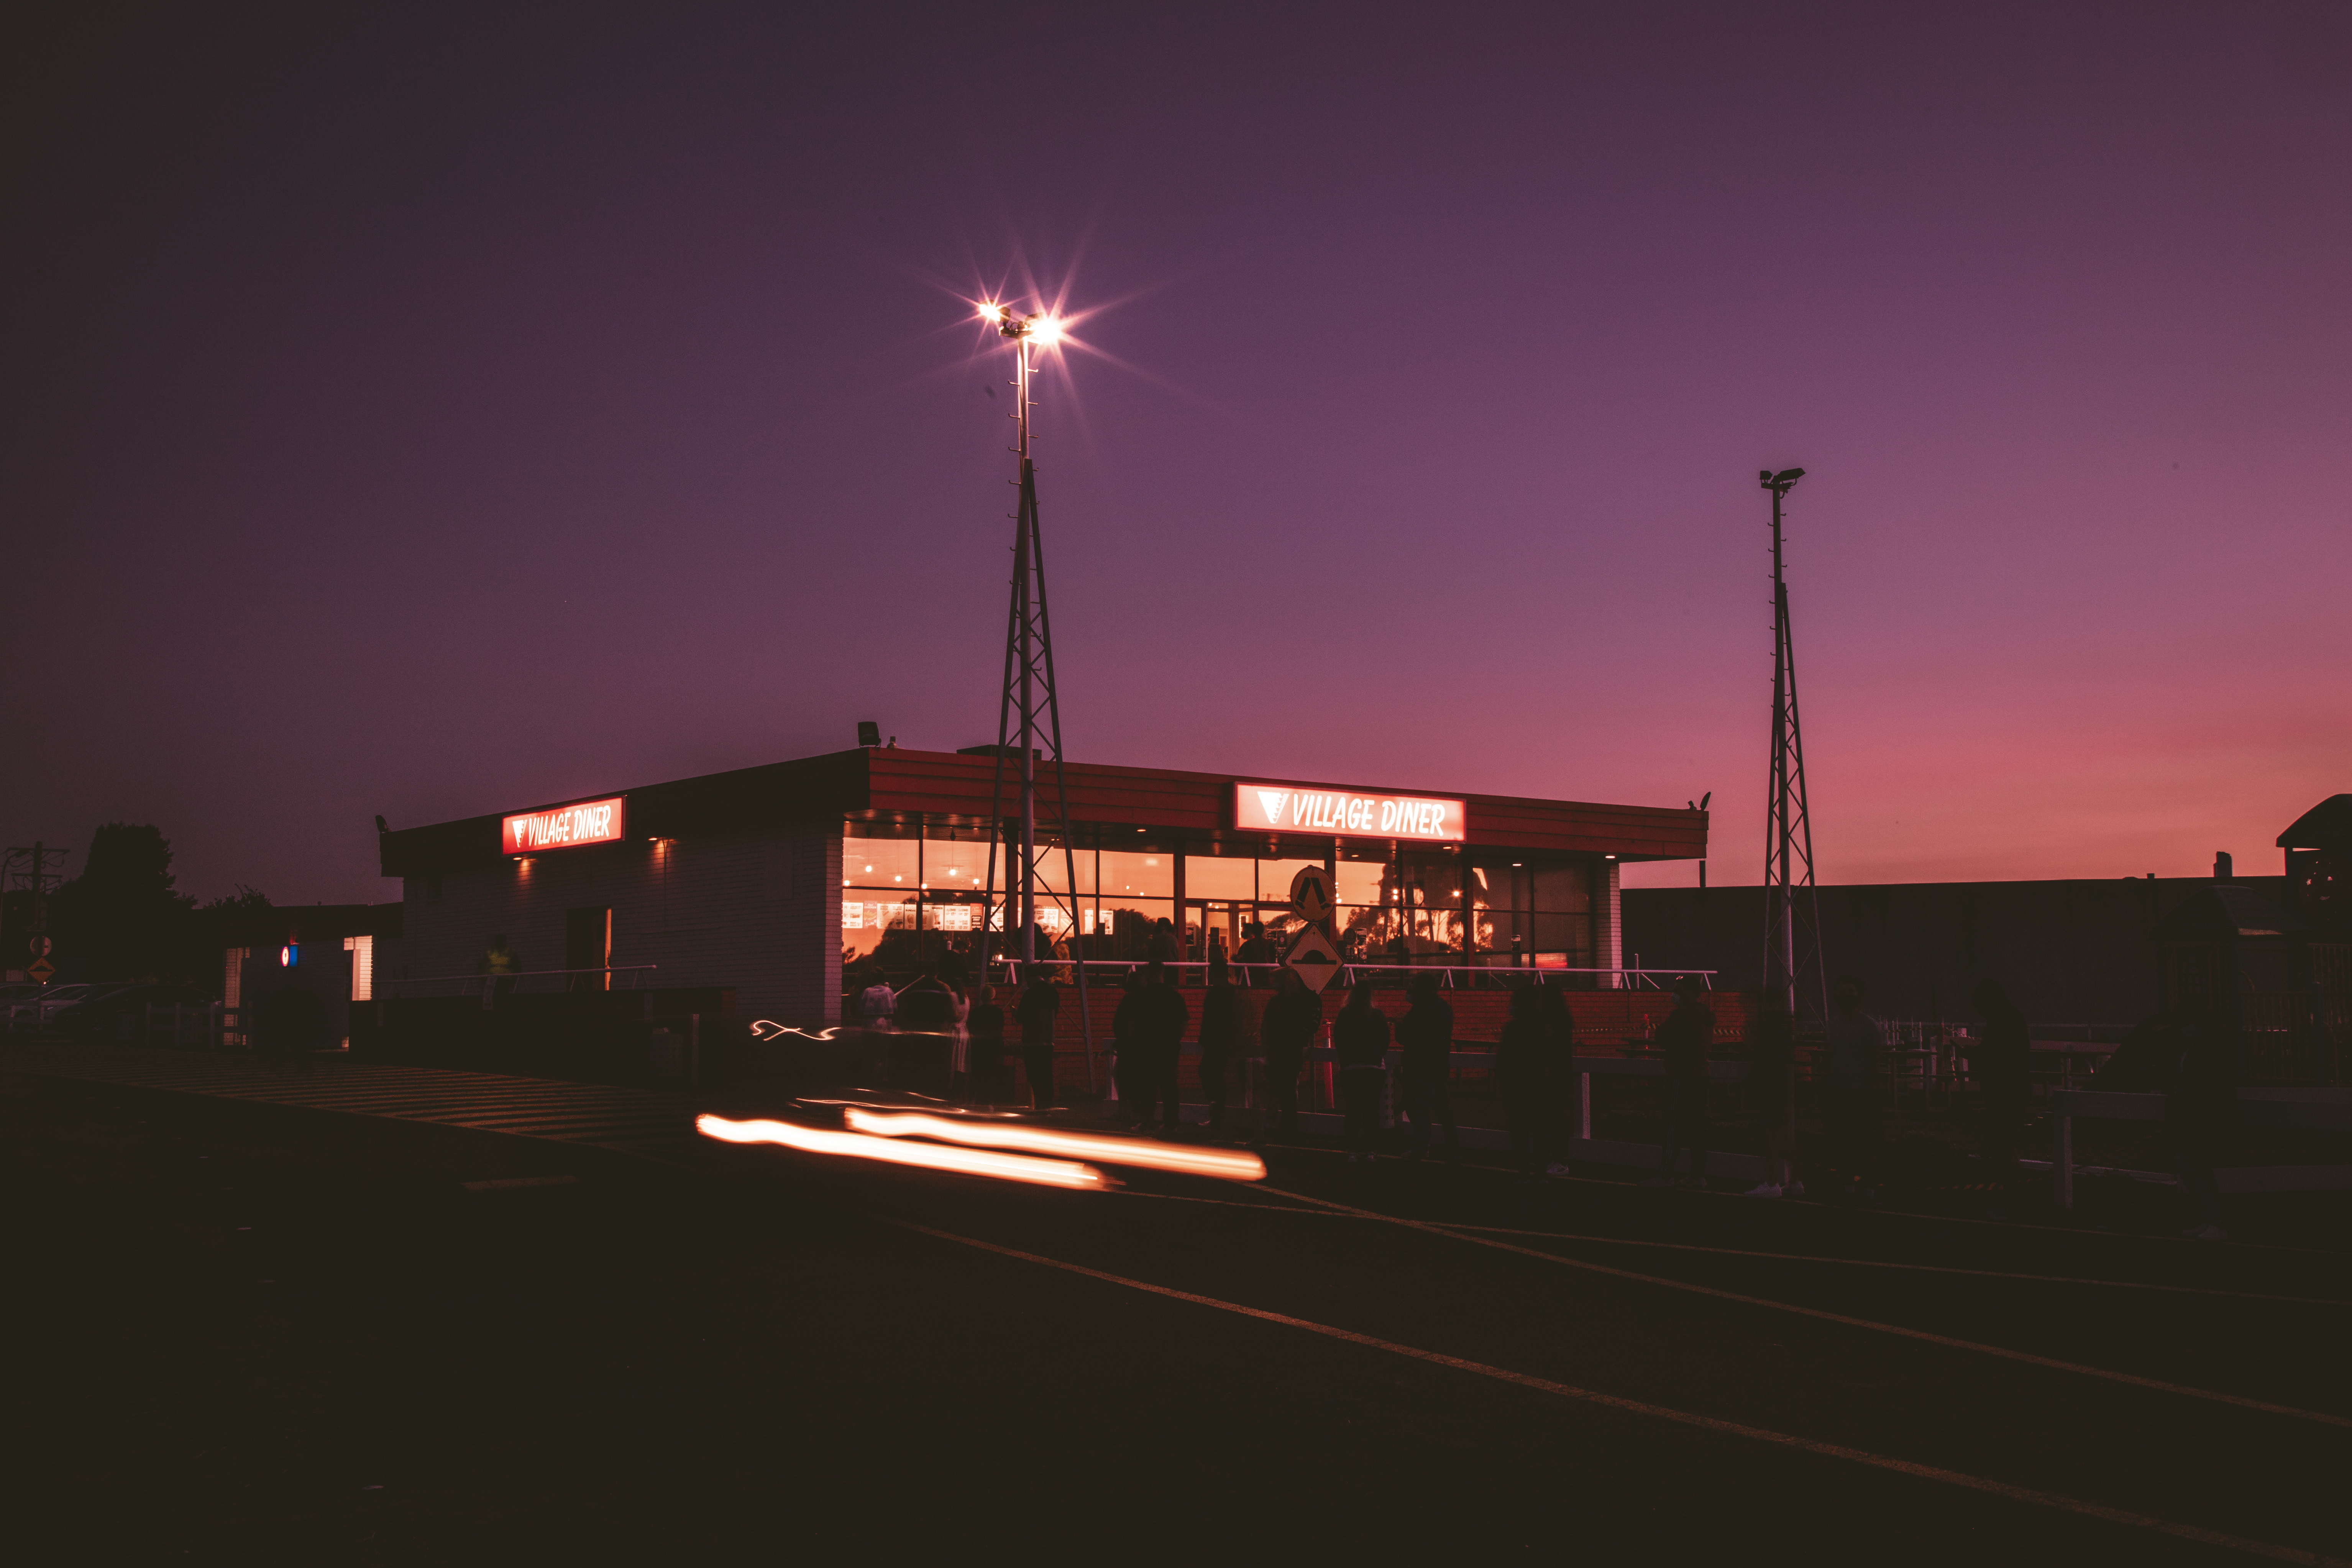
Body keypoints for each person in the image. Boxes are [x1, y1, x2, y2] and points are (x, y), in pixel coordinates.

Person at [2167, 1001, 2236, 1241]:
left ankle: (2216, 1222)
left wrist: (2181, 1084)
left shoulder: (2208, 1046)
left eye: (2185, 1023)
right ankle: (2213, 1222)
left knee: (2186, 1162)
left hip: (2202, 1115)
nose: (2182, 1028)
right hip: (2199, 1113)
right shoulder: (2202, 1044)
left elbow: (2207, 1081)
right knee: (2200, 1166)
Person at [1821, 976, 1885, 1196]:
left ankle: (1868, 1185)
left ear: (1859, 994)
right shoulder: (1832, 1024)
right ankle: (1847, 1183)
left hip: (1862, 1090)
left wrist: (1873, 1088)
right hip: (1837, 1089)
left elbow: (1876, 1059)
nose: (1847, 996)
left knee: (1863, 1140)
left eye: (1851, 991)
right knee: (1839, 1139)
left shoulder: (1869, 1025)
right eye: (1843, 991)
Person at [1650, 977, 1716, 1188]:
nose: (1674, 993)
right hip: (1700, 1076)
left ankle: (1665, 1174)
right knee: (1696, 1128)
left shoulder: (1682, 1015)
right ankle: (1697, 1176)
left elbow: (1660, 1036)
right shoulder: (1705, 1016)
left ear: (1689, 993)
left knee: (1673, 1126)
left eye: (1678, 989)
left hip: (1681, 1076)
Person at [1971, 978, 2031, 1183]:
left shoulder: (2001, 1022)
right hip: (2013, 1090)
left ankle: (2008, 1191)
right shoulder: (2012, 1018)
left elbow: (1996, 1055)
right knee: (2005, 1142)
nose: (1980, 1011)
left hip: (2005, 1092)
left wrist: (1977, 1056)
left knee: (2001, 1143)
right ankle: (2011, 1190)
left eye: (1981, 1005)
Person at [1742, 990, 1801, 1198]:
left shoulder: (1766, 1025)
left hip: (1768, 1084)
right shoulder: (1787, 1024)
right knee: (1786, 1134)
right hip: (1783, 1083)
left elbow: (1757, 1053)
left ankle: (1772, 1182)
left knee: (1769, 1134)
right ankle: (1795, 1180)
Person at [1395, 972, 1458, 1161]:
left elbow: (1405, 1037)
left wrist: (1399, 1025)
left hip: (1420, 1067)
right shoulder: (1445, 1009)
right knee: (1443, 1110)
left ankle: (1421, 1149)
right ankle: (1453, 1150)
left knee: (1419, 1110)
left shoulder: (1419, 1011)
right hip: (1439, 1065)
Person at [1333, 978, 1392, 1163]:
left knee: (1353, 1109)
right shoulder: (1377, 1015)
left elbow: (1339, 1040)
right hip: (1373, 1067)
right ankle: (1370, 1151)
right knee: (1371, 1110)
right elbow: (1386, 1040)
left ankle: (1352, 1150)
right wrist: (1376, 1055)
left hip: (1351, 1067)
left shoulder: (1345, 1015)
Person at [1259, 967, 1321, 1141]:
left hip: (1283, 1050)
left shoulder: (1282, 1003)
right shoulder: (1300, 1001)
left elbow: (1270, 1026)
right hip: (1289, 1050)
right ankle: (1287, 1127)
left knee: (1280, 1090)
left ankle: (1282, 1126)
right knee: (1287, 1091)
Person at [1495, 985, 1549, 1177]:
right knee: (1540, 1130)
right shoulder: (1543, 1027)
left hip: (1516, 1086)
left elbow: (1505, 1059)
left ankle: (1524, 1171)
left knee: (1519, 1130)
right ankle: (1542, 1171)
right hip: (1537, 1083)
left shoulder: (1514, 1028)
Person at [1136, 959, 1191, 1133]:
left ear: (1148, 974)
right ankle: (1170, 1123)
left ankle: (1147, 1122)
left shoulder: (1142, 996)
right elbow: (1184, 1023)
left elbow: (1134, 1023)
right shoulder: (1173, 996)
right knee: (1169, 1087)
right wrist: (1174, 1038)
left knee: (1147, 1087)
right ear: (1163, 974)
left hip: (1147, 1047)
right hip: (1169, 1047)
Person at [1537, 985, 1580, 1176]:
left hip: (1553, 1074)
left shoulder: (1551, 1022)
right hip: (1558, 1073)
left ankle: (1559, 1160)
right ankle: (1557, 1159)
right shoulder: (1561, 1020)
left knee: (1553, 1117)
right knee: (1554, 1117)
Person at [1198, 957, 1243, 1135]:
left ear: (1213, 974)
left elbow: (1210, 1018)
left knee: (1208, 1073)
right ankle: (1217, 1111)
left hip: (1215, 1040)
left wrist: (1204, 1037)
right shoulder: (1232, 991)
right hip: (1226, 1039)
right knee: (1216, 1075)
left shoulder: (1216, 992)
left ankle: (1216, 1109)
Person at [1015, 975, 1060, 1109]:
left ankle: (1041, 1102)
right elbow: (1056, 1013)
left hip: (1032, 1040)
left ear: (1031, 978)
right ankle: (1048, 1103)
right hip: (1048, 1038)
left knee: (1034, 1073)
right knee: (1047, 1072)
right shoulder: (1053, 992)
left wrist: (1015, 1014)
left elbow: (1020, 1017)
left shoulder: (1030, 994)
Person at [1111, 969, 1148, 1120]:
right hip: (1140, 1045)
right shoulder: (1145, 1000)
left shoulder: (1129, 1001)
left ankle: (1129, 1110)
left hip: (1128, 1046)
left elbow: (1129, 1023)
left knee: (1123, 1076)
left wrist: (1127, 1042)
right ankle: (1136, 1110)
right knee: (1137, 1079)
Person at [966, 983, 1007, 1104]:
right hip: (994, 1047)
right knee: (992, 1075)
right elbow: (1000, 1029)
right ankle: (989, 1102)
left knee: (979, 1075)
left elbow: (972, 1029)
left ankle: (977, 1099)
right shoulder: (999, 1013)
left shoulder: (976, 1013)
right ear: (994, 997)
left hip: (979, 1047)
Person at [1236, 923, 1277, 988]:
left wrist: (1237, 958)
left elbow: (1246, 960)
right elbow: (1273, 959)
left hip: (1254, 976)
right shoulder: (1269, 943)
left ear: (1253, 931)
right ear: (1263, 931)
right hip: (1267, 975)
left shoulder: (1249, 944)